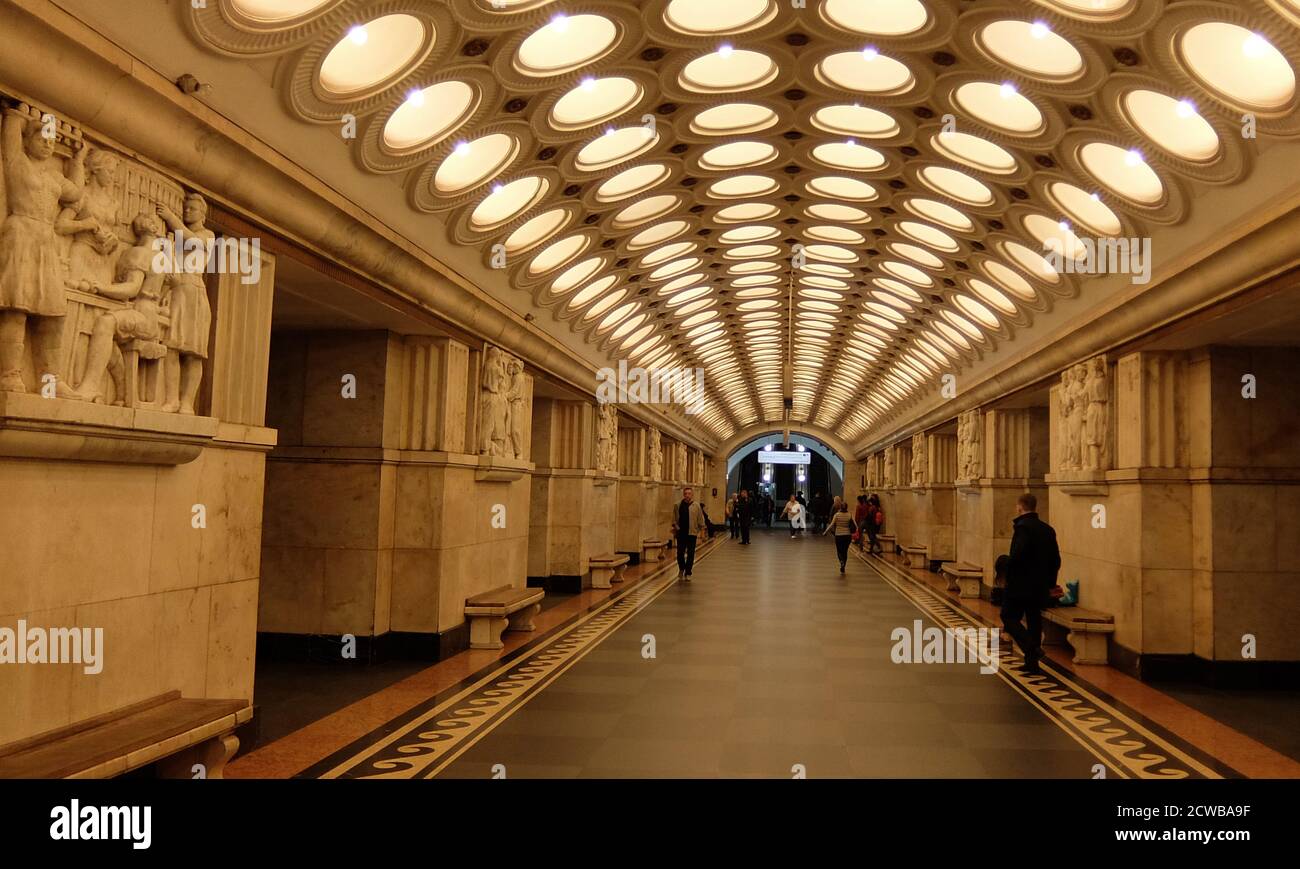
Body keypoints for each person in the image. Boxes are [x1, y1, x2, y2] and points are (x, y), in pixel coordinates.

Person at [1002, 493, 1061, 675]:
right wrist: (1050, 583)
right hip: (1041, 584)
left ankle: (1031, 649)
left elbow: (1018, 556)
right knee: (1034, 621)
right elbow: (1056, 560)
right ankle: (1032, 664)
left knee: (1008, 617)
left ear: (1020, 507)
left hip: (1021, 584)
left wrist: (1007, 568)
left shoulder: (1022, 528)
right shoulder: (1048, 529)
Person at [670, 486, 706, 582]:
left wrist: (701, 532)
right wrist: (676, 526)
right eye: (685, 494)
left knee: (690, 554)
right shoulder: (677, 505)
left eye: (689, 493)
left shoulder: (696, 506)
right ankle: (682, 568)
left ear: (692, 494)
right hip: (681, 533)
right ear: (683, 494)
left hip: (692, 533)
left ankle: (688, 572)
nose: (687, 495)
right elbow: (674, 518)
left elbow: (700, 519)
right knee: (680, 553)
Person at [823, 502, 857, 574]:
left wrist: (825, 532)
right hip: (847, 536)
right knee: (845, 551)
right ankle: (844, 565)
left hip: (839, 535)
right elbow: (855, 525)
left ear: (840, 507)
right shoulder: (849, 515)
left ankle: (841, 561)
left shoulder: (837, 515)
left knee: (839, 551)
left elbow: (832, 524)